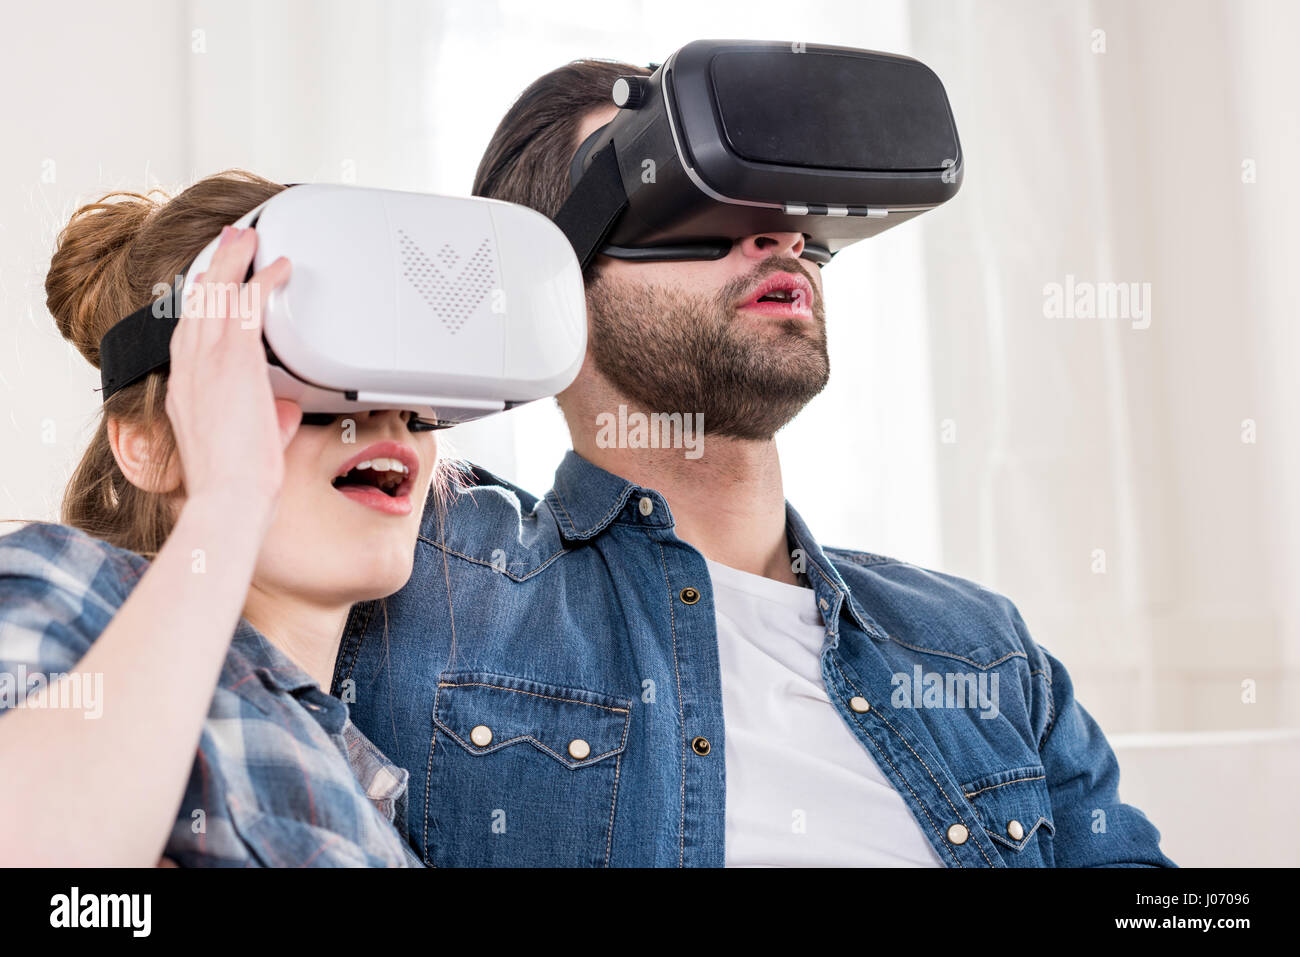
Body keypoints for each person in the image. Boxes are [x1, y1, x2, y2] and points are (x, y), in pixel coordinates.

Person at [334, 59, 1176, 867]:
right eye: (685, 199)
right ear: (548, 290)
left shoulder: (982, 652)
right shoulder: (422, 577)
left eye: (779, 201)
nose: (779, 234)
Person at [0, 170, 444, 866]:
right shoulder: (59, 582)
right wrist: (230, 495)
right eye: (285, 361)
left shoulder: (370, 788)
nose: (382, 414)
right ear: (144, 445)